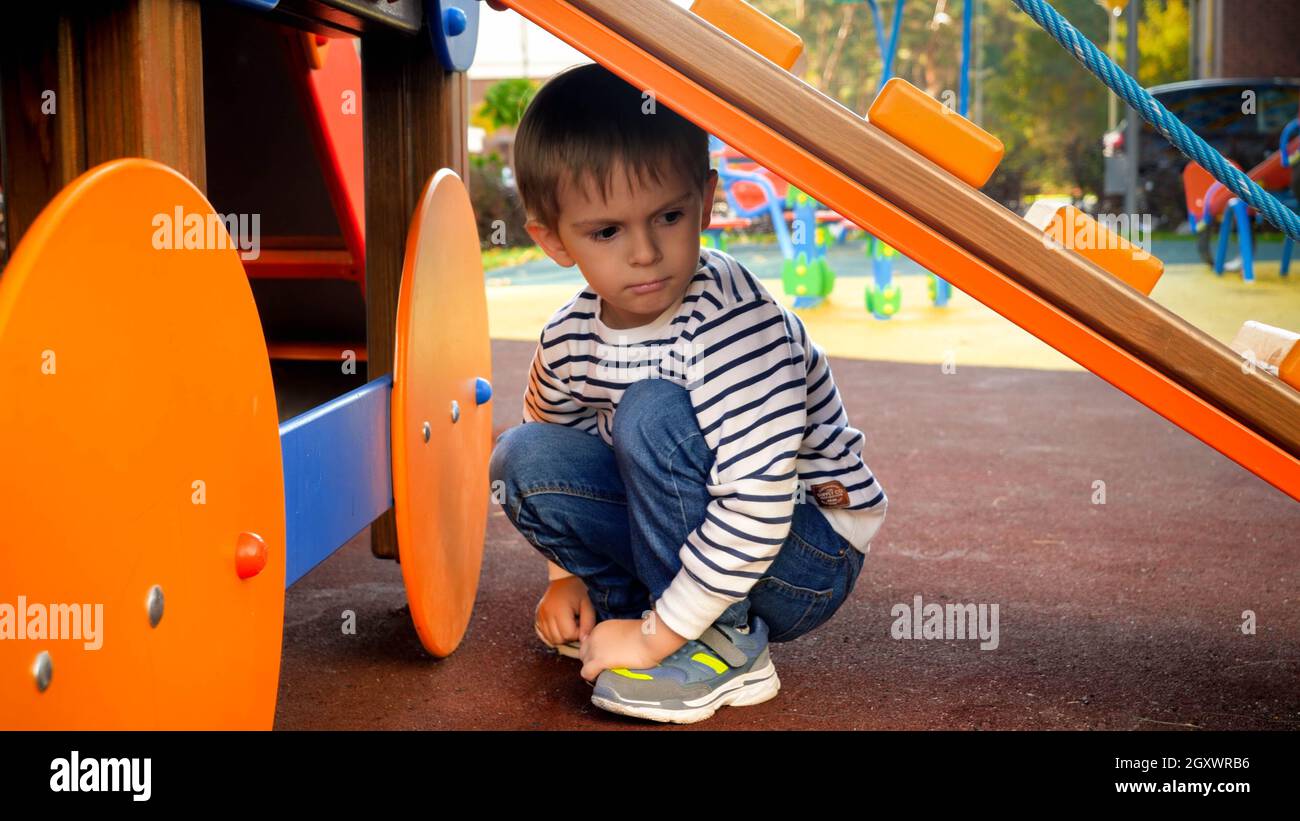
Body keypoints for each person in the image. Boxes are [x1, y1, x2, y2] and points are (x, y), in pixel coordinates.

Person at [488, 63, 887, 724]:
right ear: (554, 239)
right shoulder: (568, 338)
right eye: (607, 231)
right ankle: (623, 605)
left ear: (705, 200)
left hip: (803, 553)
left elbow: (756, 508)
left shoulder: (733, 324)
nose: (644, 252)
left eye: (668, 216)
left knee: (649, 412)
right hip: (690, 523)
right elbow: (559, 444)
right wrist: (566, 576)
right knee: (523, 455)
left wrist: (655, 640)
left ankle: (722, 641)